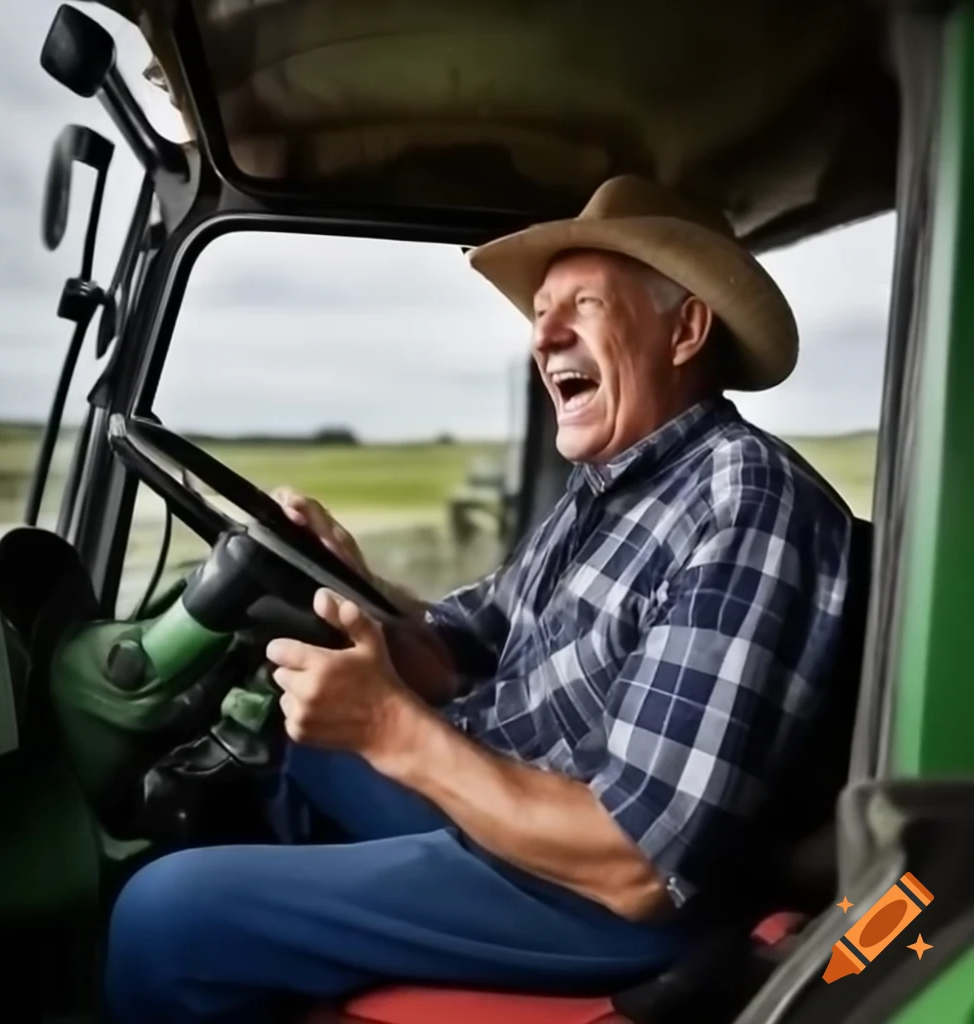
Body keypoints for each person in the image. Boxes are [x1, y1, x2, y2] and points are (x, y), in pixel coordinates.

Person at [105, 175, 853, 1022]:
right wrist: (350, 578)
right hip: (509, 793)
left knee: (165, 915)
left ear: (684, 329)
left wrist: (392, 729)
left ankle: (246, 935)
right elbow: (459, 644)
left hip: (592, 897)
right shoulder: (605, 488)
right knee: (296, 735)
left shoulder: (742, 500)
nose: (546, 335)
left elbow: (640, 865)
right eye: (541, 312)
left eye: (585, 305)